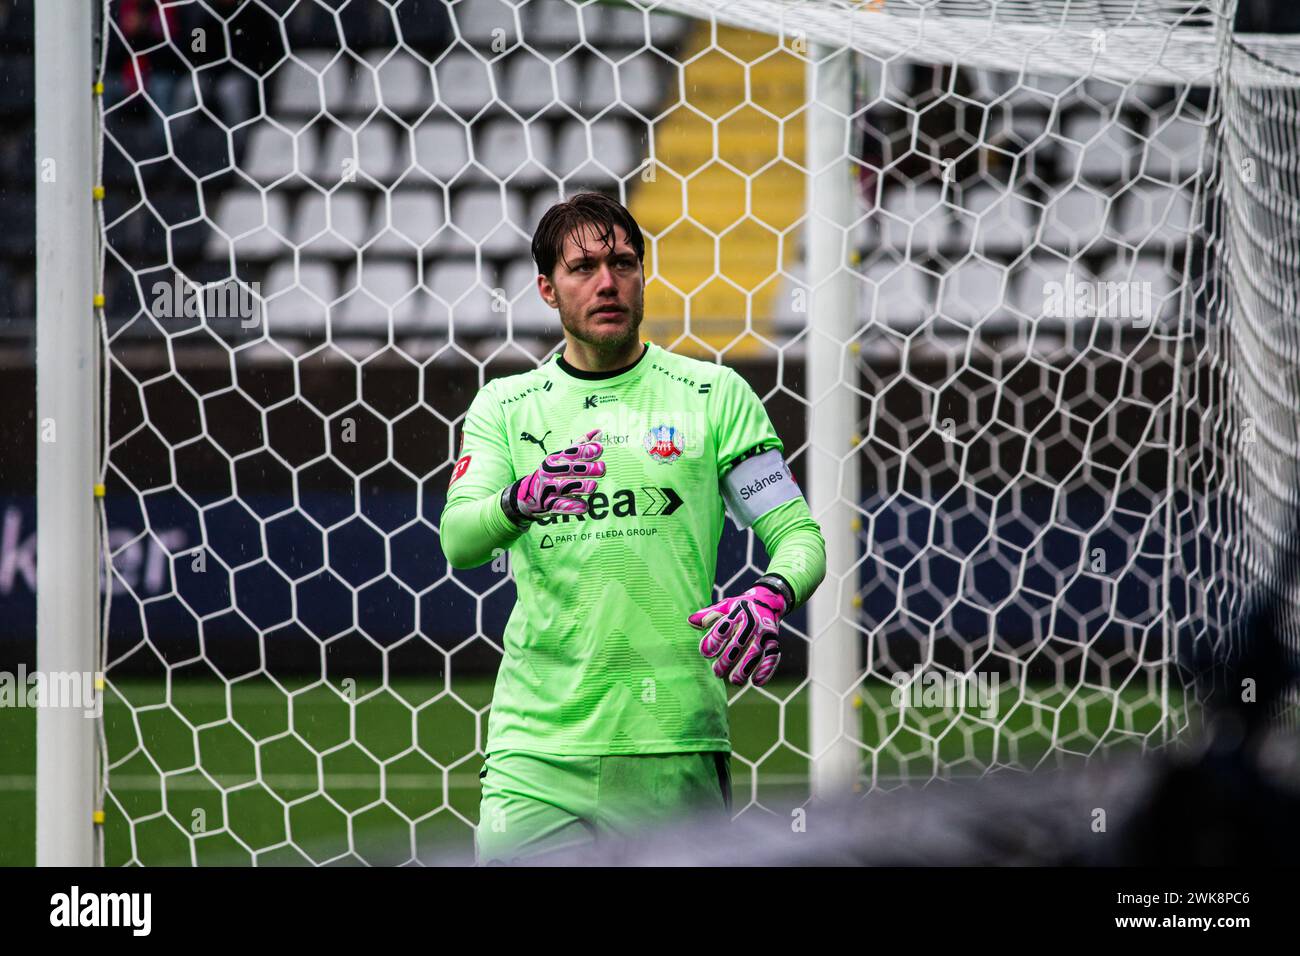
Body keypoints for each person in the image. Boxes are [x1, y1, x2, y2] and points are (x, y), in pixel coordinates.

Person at [439, 192, 827, 863]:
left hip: (672, 741)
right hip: (536, 750)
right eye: (583, 267)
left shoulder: (712, 395)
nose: (607, 282)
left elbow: (799, 536)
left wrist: (769, 595)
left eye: (622, 262)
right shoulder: (506, 406)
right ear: (546, 289)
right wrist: (521, 499)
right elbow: (460, 541)